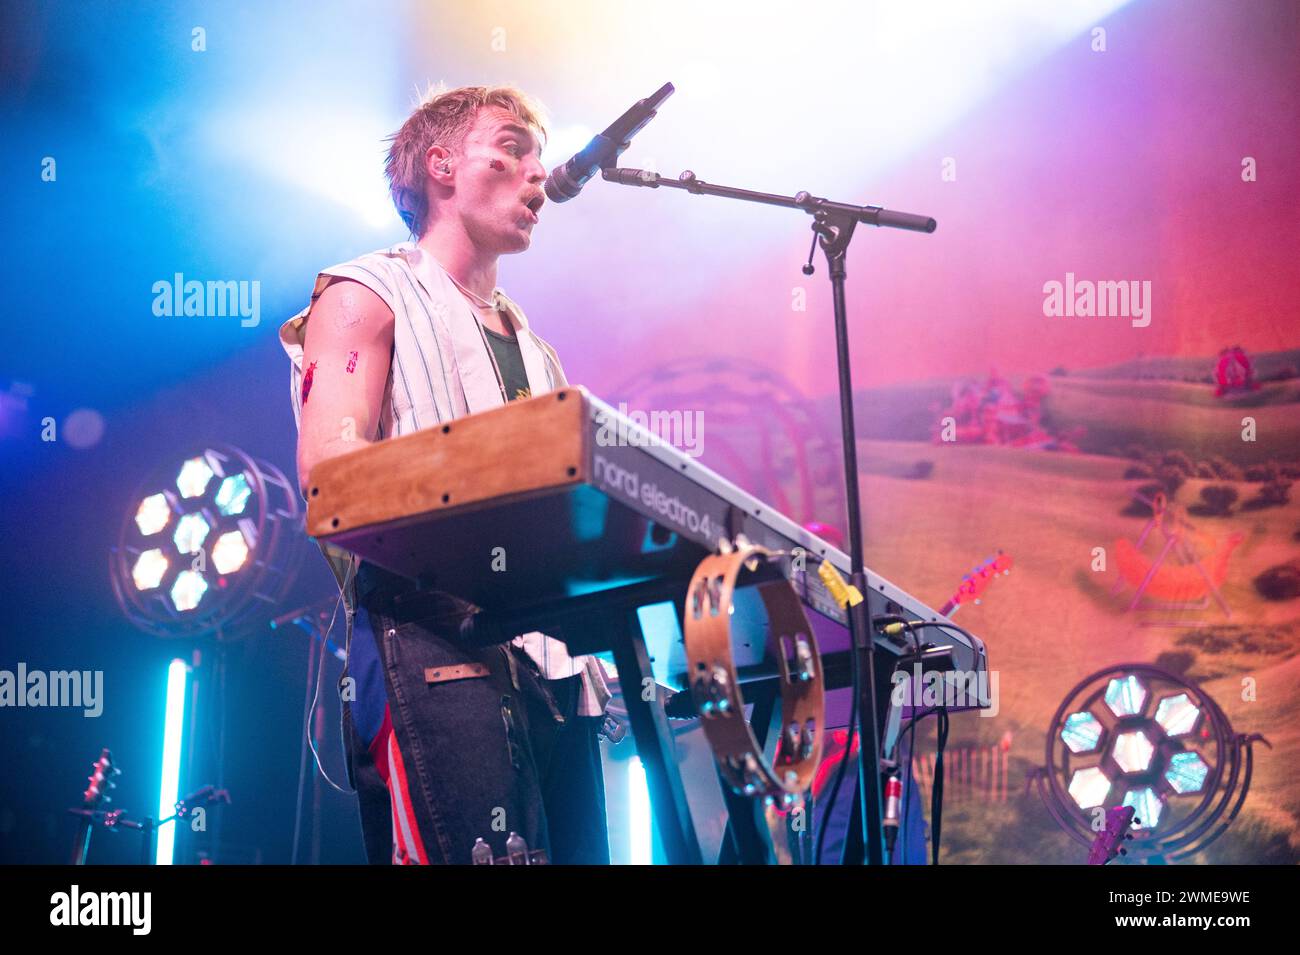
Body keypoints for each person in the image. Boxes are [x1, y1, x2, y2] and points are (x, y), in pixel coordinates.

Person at [278, 84, 610, 864]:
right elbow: (330, 476)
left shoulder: (537, 348)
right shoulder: (366, 294)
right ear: (440, 165)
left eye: (541, 155)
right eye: (512, 149)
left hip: (555, 664)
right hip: (432, 634)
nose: (539, 175)